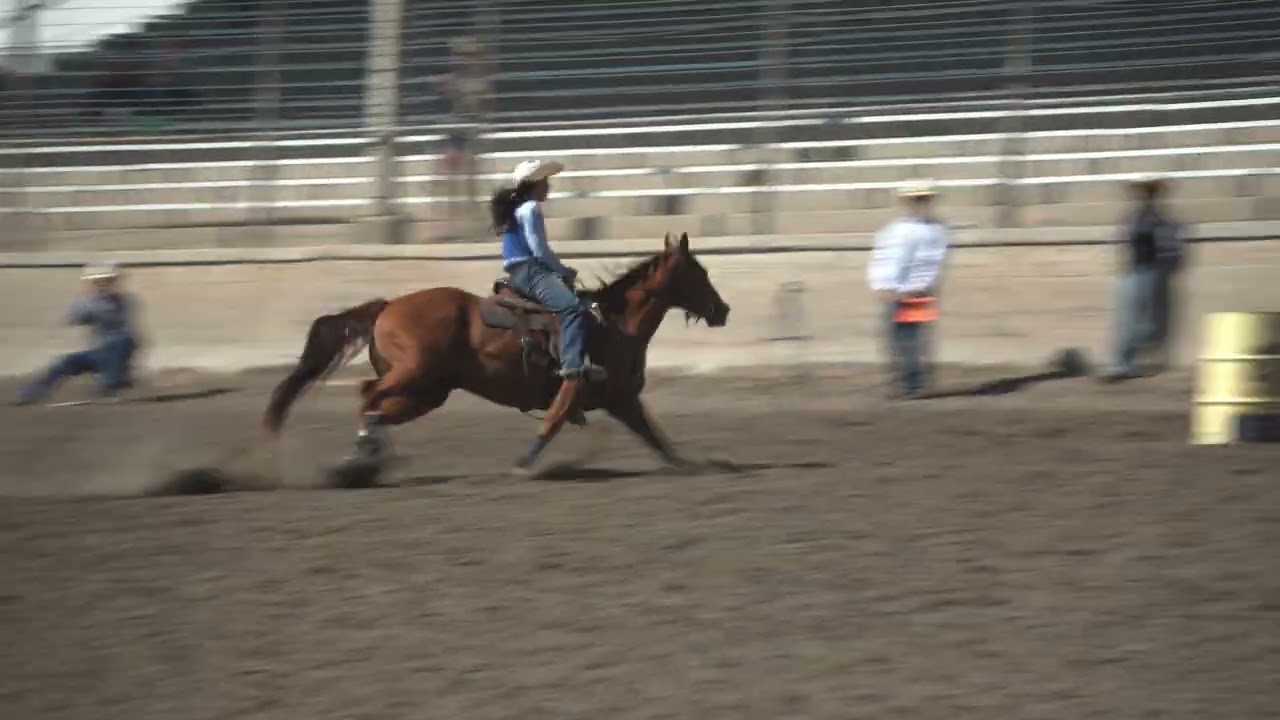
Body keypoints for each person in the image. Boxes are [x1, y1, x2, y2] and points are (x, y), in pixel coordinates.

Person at [492, 159, 606, 382]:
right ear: (535, 184)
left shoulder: (518, 208)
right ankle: (572, 365)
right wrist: (562, 270)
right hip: (531, 271)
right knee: (572, 308)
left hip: (520, 270)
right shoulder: (531, 208)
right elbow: (539, 250)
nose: (548, 187)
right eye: (545, 182)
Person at [867, 181, 950, 398]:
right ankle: (914, 382)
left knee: (900, 338)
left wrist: (885, 285)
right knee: (914, 337)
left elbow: (894, 260)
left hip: (904, 290)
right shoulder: (936, 229)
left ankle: (908, 383)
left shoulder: (902, 230)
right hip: (920, 289)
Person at [17, 262, 140, 405]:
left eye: (106, 281)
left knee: (122, 340)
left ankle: (112, 384)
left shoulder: (122, 301)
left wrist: (93, 309)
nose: (102, 285)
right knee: (63, 363)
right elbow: (73, 318)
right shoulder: (85, 301)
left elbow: (113, 317)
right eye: (97, 282)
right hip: (97, 352)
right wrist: (83, 311)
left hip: (116, 352)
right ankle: (30, 395)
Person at [1105, 176, 1185, 380]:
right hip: (1136, 271)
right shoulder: (1140, 218)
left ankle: (1124, 361)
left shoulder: (1158, 220)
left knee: (1144, 322)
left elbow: (1170, 248)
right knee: (1130, 319)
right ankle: (1121, 363)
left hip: (1149, 271)